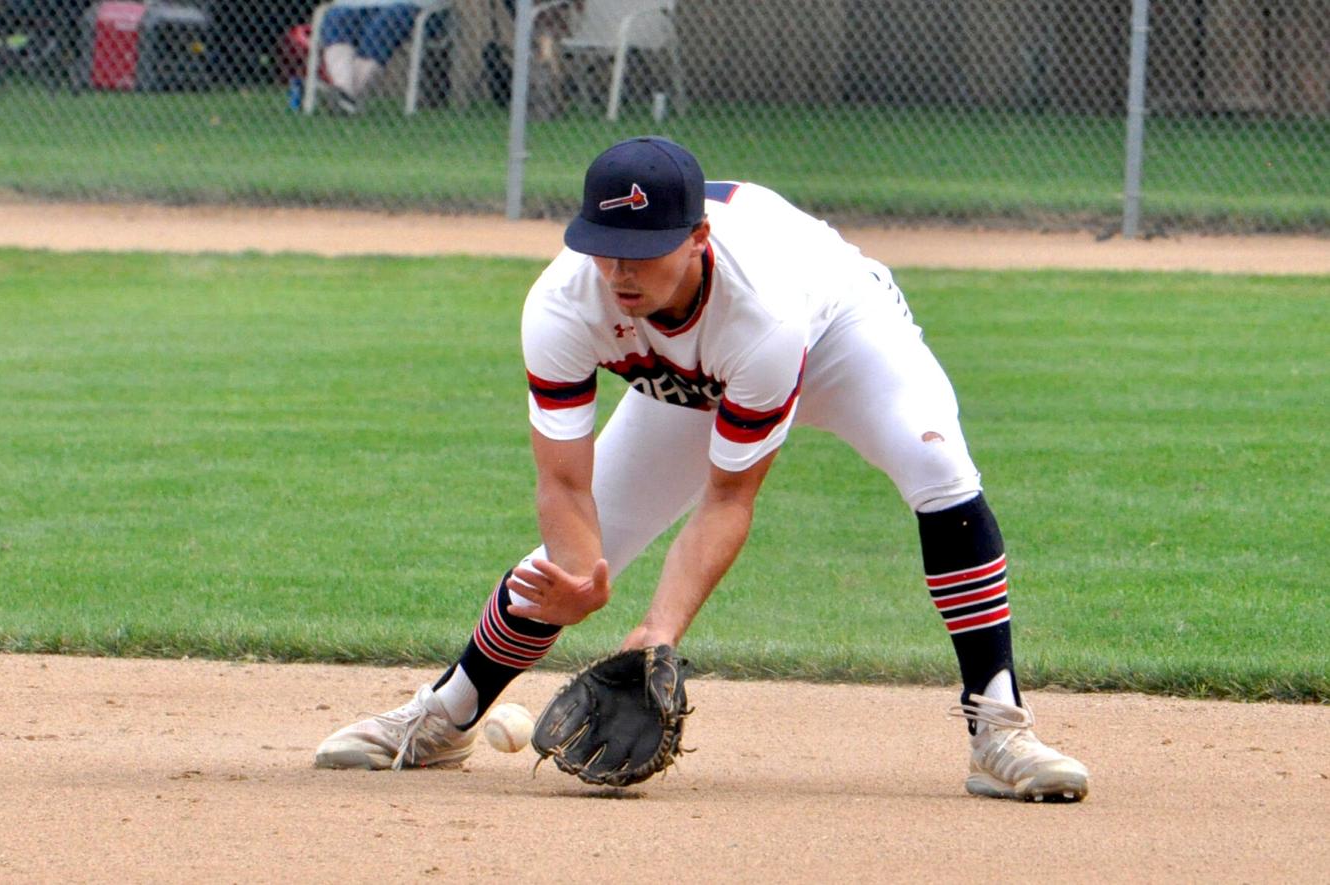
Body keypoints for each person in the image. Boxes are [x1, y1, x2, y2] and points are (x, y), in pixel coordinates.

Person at [315, 136, 1091, 802]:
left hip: (838, 336)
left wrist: (656, 632)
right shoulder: (563, 302)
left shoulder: (762, 312)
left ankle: (998, 728)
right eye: (604, 245)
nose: (619, 270)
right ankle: (443, 717)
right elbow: (563, 482)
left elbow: (728, 497)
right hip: (686, 371)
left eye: (643, 250)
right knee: (569, 556)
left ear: (696, 237)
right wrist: (582, 578)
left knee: (935, 462)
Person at [316, 0, 445, 113]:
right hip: (363, 4)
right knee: (336, 17)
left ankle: (345, 96)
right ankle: (344, 90)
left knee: (386, 23)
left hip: (415, 7)